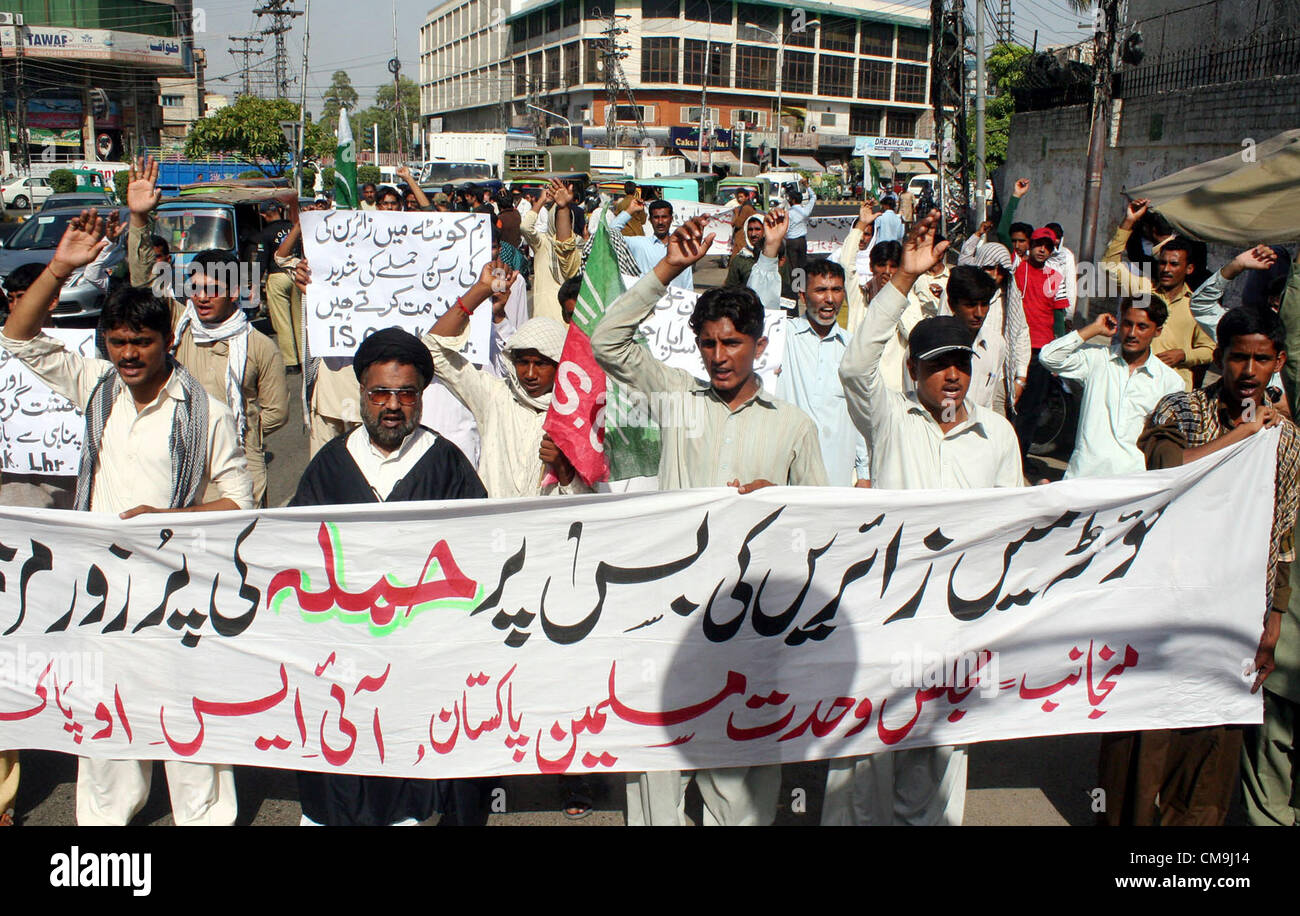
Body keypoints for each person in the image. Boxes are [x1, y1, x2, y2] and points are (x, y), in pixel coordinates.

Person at [0, 209, 253, 826]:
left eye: (142, 341)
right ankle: (107, 822)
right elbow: (17, 335)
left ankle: (203, 817)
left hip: (179, 586)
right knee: (105, 707)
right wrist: (62, 266)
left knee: (185, 706)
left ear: (167, 338)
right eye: (118, 342)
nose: (130, 354)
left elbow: (240, 501)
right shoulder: (94, 385)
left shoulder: (208, 413)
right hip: (101, 587)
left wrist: (166, 518)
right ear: (105, 344)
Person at [591, 215, 827, 826]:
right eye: (708, 344)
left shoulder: (793, 425)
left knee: (741, 768)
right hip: (669, 605)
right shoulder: (676, 399)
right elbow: (606, 341)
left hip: (755, 617)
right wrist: (668, 268)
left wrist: (778, 500)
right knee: (657, 763)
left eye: (732, 344)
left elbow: (825, 528)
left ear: (760, 346)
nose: (719, 357)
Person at [832, 211, 1022, 826]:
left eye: (961, 363)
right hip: (886, 614)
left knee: (940, 756)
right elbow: (854, 367)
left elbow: (1014, 526)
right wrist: (902, 284)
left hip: (956, 619)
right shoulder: (889, 419)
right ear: (913, 371)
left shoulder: (997, 434)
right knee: (866, 758)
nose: (951, 374)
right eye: (937, 363)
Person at [1099, 305, 1300, 825]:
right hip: (1166, 595)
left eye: (1261, 359)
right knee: (1146, 734)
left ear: (1278, 361)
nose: (1249, 372)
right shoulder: (1182, 410)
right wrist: (1244, 436)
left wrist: (1273, 620)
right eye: (1238, 358)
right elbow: (1166, 469)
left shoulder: (1289, 437)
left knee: (1211, 739)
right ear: (1219, 358)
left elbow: (1282, 535)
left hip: (1233, 606)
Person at [289, 327, 490, 826]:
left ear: (422, 398)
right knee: (340, 784)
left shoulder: (446, 464)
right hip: (342, 666)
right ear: (361, 393)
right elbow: (289, 554)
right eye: (380, 393)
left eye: (406, 394)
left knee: (408, 789)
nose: (392, 406)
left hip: (416, 666)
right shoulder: (331, 465)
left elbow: (481, 553)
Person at [125, 156, 288, 507]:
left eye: (212, 288)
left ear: (234, 291)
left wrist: (236, 427)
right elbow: (142, 282)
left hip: (240, 463)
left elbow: (276, 411)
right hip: (179, 455)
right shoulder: (177, 325)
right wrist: (138, 218)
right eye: (195, 287)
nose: (200, 297)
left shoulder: (259, 346)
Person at [423, 260, 588, 498]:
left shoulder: (573, 411)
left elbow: (589, 503)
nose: (530, 374)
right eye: (523, 362)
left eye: (540, 364)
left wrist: (563, 469)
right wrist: (480, 291)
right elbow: (432, 351)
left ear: (558, 364)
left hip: (545, 531)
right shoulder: (495, 396)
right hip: (493, 527)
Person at [1038, 298, 1183, 479]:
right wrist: (1094, 328)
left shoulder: (1170, 382)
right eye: (1127, 324)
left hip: (1130, 481)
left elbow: (1163, 441)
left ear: (1157, 331)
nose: (1132, 333)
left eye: (1142, 327)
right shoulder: (1097, 359)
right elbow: (1048, 357)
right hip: (1084, 476)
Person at [773, 256, 870, 487]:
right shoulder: (783, 336)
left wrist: (864, 473)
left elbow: (860, 412)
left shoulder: (852, 348)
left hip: (834, 473)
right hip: (786, 473)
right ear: (803, 296)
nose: (829, 299)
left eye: (836, 290)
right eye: (821, 290)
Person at [1102, 198, 1214, 391]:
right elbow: (1109, 266)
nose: (1166, 269)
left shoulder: (1197, 305)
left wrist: (1184, 355)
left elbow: (1211, 349)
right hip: (1135, 386)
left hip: (1174, 392)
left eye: (1174, 264)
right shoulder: (1143, 290)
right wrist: (1128, 221)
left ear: (1189, 268)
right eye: (1163, 263)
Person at [1010, 226, 1069, 461]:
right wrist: (1015, 197)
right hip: (1016, 347)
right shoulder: (1016, 268)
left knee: (1032, 409)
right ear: (1030, 245)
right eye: (1038, 245)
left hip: (1042, 350)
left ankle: (1020, 459)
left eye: (1048, 247)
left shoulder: (1056, 278)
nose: (1042, 250)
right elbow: (1005, 232)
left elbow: (1059, 319)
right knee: (1008, 404)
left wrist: (1060, 353)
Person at [944, 264, 1027, 417]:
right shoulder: (935, 345)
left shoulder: (996, 344)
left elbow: (988, 401)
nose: (979, 313)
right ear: (952, 304)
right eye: (970, 305)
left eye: (984, 304)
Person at [520, 178, 582, 323]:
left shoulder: (578, 245)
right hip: (544, 318)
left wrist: (563, 210)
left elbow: (566, 250)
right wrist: (542, 200)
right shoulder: (542, 243)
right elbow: (525, 227)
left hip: (567, 320)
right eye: (557, 219)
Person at [612, 199, 694, 291]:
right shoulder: (640, 244)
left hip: (675, 303)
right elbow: (610, 234)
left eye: (664, 217)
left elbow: (687, 284)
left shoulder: (682, 248)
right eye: (656, 217)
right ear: (650, 220)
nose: (660, 222)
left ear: (671, 219)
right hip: (647, 303)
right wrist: (630, 210)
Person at [1044, 222, 1078, 321]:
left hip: (1057, 307)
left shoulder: (1066, 256)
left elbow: (1070, 287)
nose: (1055, 241)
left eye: (1057, 237)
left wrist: (1069, 316)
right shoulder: (1036, 252)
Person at [996, 177, 1032, 266]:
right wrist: (1016, 195)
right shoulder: (1010, 259)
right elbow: (1002, 232)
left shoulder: (1036, 262)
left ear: (1030, 242)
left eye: (1021, 241)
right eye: (1013, 241)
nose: (1017, 246)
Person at [784, 183, 816, 275]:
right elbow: (813, 197)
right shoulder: (805, 211)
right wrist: (807, 186)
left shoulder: (788, 213)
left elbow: (786, 228)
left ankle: (795, 287)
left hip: (791, 241)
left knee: (793, 266)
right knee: (802, 265)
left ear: (793, 200)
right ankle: (801, 286)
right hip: (802, 241)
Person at [729, 186, 758, 253]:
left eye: (741, 197)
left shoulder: (746, 208)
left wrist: (736, 214)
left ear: (747, 197)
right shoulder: (746, 207)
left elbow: (738, 224)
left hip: (742, 240)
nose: (739, 199)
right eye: (738, 197)